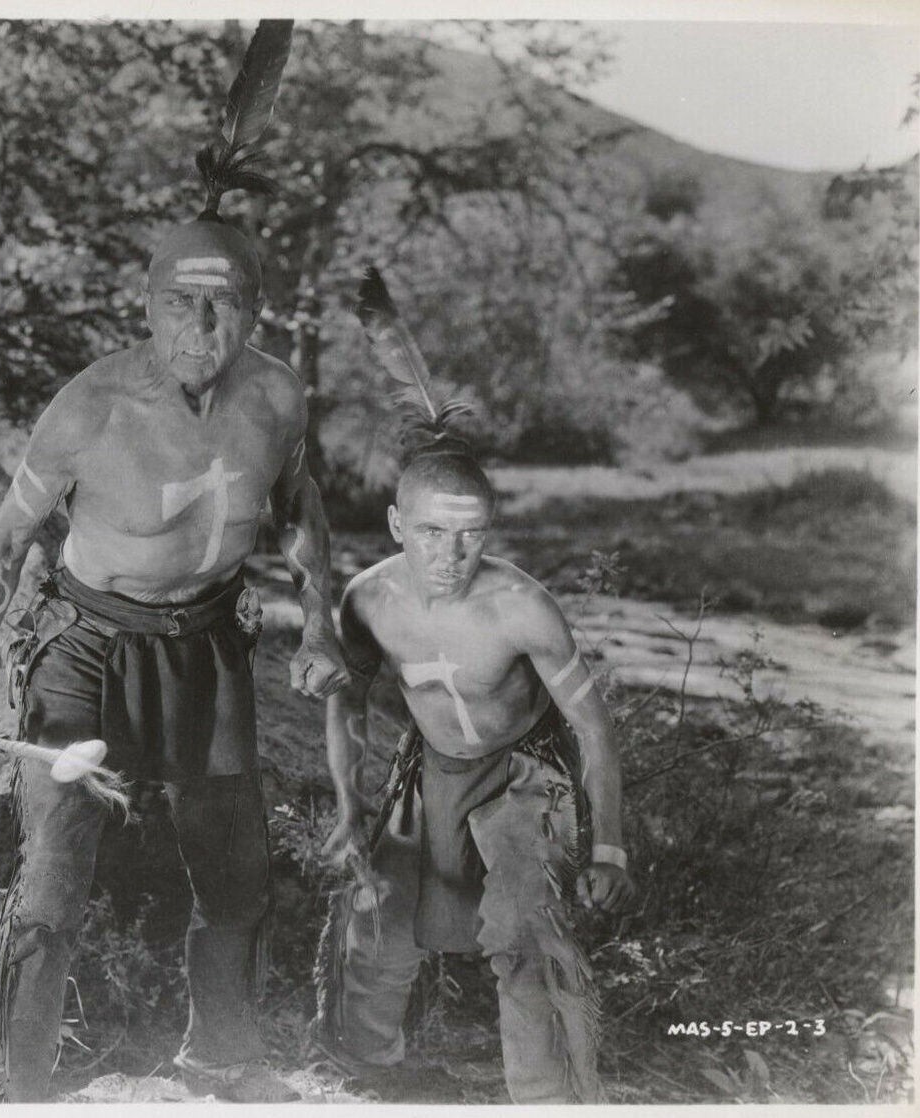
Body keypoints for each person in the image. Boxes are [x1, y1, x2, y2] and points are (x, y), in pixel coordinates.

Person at [0, 205, 348, 1098]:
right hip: (87, 643)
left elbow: (299, 503)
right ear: (146, 306)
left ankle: (222, 1059)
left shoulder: (276, 397)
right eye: (177, 302)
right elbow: (2, 541)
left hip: (207, 646)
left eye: (222, 303)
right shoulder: (92, 405)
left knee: (236, 874)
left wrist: (318, 622)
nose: (199, 328)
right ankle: (15, 1086)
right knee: (53, 875)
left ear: (257, 309)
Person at [310, 277, 633, 1105]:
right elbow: (344, 702)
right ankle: (368, 1077)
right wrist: (349, 810)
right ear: (394, 526)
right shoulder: (369, 600)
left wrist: (606, 844)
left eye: (468, 534)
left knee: (522, 931)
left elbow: (591, 729)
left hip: (524, 774)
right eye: (428, 532)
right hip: (431, 773)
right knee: (376, 925)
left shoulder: (520, 605)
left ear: (487, 532)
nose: (449, 555)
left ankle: (545, 1097)